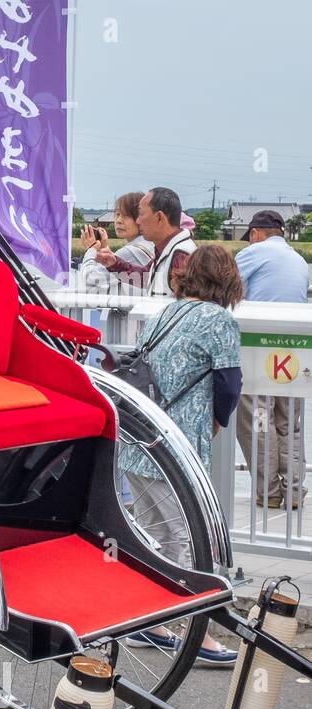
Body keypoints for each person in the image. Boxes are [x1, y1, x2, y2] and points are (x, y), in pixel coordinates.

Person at [119, 245, 243, 666]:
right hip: (178, 447)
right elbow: (228, 383)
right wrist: (220, 421)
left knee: (154, 535)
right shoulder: (220, 320)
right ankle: (198, 637)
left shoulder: (163, 313)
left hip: (138, 441)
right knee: (190, 540)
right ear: (227, 279)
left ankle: (149, 623)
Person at [233, 209, 310, 509]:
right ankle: (293, 491)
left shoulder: (255, 253)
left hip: (258, 347)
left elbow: (225, 286)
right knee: (289, 423)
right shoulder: (299, 260)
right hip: (297, 349)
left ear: (255, 233)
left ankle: (269, 493)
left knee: (258, 421)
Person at [94, 187, 195, 298]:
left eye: (141, 214)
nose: (138, 221)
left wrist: (92, 250)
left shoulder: (180, 255)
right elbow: (146, 276)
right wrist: (115, 264)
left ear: (159, 217)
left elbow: (187, 304)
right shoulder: (169, 249)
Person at [77, 191, 154, 295]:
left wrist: (91, 249)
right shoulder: (150, 244)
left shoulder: (131, 252)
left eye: (126, 216)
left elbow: (91, 279)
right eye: (117, 214)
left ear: (141, 218)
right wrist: (104, 247)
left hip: (126, 310)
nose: (119, 220)